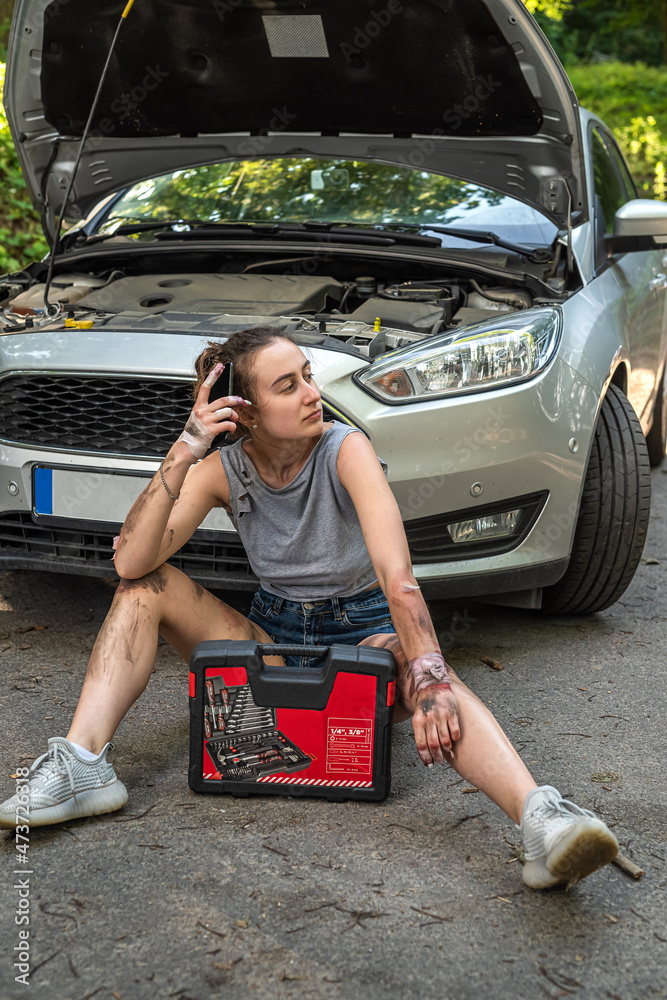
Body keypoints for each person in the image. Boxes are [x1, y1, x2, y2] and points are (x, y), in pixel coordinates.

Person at [0, 326, 618, 889]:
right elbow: (132, 562)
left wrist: (428, 675)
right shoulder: (221, 468)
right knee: (143, 590)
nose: (311, 394)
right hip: (274, 637)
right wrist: (186, 447)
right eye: (287, 385)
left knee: (433, 678)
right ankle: (83, 764)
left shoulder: (346, 449)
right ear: (244, 411)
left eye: (307, 376)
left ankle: (541, 818)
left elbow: (397, 577)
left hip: (365, 634)